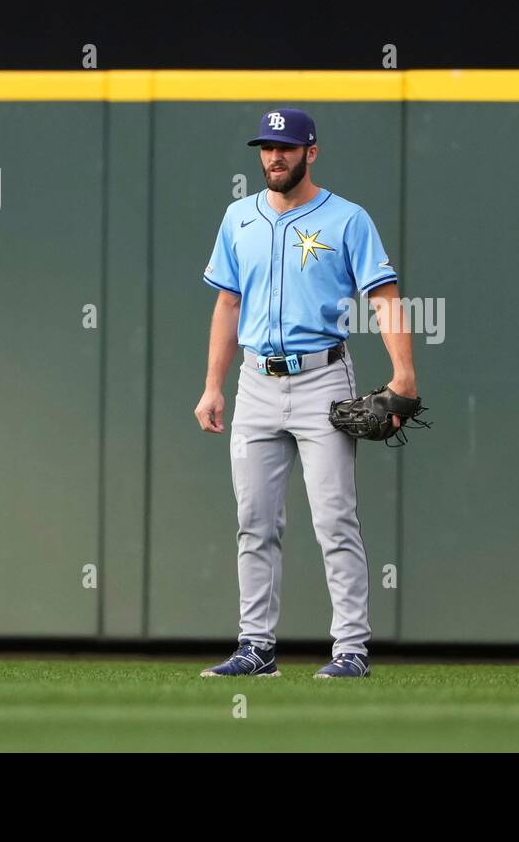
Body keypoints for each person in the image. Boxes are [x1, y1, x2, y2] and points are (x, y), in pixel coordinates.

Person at [193, 108, 417, 678]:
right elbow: (228, 303)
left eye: (286, 147)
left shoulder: (347, 219)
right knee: (254, 521)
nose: (274, 157)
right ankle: (256, 647)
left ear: (310, 152)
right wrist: (212, 386)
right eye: (267, 147)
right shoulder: (238, 217)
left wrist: (404, 375)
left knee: (335, 519)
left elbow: (384, 296)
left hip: (323, 380)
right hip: (255, 384)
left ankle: (350, 649)